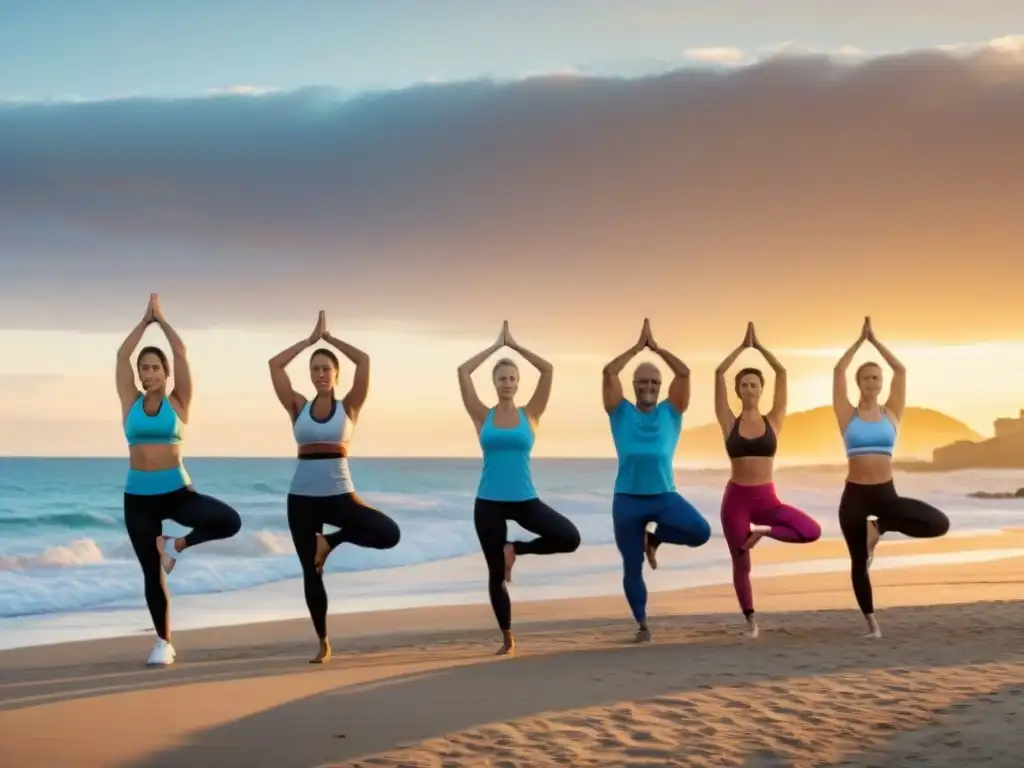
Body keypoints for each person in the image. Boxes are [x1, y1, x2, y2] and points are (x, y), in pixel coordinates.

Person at [116, 294, 243, 667]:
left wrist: (162, 322)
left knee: (229, 521)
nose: (149, 372)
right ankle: (162, 641)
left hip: (176, 493)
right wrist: (143, 323)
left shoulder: (179, 401)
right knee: (151, 573)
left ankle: (177, 544)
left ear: (166, 373)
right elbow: (121, 357)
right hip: (137, 498)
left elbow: (182, 354)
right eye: (145, 368)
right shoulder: (130, 401)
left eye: (156, 367)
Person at [269, 311, 401, 664]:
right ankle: (324, 642)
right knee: (311, 572)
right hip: (301, 500)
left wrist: (330, 338)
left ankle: (332, 541)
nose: (321, 374)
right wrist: (310, 342)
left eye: (327, 368)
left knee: (389, 533)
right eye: (315, 369)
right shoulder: (298, 406)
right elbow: (275, 365)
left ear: (336, 374)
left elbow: (365, 360)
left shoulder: (349, 406)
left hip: (340, 496)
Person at [457, 321, 581, 656]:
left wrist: (516, 346)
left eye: (512, 378)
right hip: (488, 503)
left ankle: (517, 549)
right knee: (495, 573)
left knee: (570, 538)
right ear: (495, 383)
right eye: (502, 378)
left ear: (518, 383)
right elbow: (463, 372)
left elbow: (548, 370)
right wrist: (496, 348)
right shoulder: (482, 415)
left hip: (525, 500)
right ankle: (508, 638)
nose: (508, 383)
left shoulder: (532, 414)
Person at [833, 316, 950, 638]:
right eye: (867, 378)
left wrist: (875, 341)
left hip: (886, 494)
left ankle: (880, 526)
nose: (872, 382)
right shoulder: (847, 414)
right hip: (855, 495)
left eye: (876, 378)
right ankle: (871, 623)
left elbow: (901, 371)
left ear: (881, 382)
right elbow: (838, 372)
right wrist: (859, 343)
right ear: (859, 383)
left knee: (938, 523)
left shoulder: (892, 412)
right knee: (858, 560)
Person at [602, 319, 712, 644]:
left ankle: (656, 539)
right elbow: (609, 372)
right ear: (633, 386)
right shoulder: (619, 411)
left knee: (700, 531)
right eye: (642, 381)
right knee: (631, 565)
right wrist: (637, 349)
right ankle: (643, 624)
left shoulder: (672, 412)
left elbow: (685, 374)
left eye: (653, 381)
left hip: (664, 496)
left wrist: (658, 349)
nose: (648, 386)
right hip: (627, 500)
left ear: (660, 386)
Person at [714, 322, 822, 638]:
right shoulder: (728, 422)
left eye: (754, 385)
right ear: (738, 390)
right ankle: (751, 621)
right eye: (744, 385)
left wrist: (758, 347)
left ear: (761, 390)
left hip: (767, 502)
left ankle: (763, 532)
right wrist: (741, 348)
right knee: (741, 563)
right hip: (736, 502)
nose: (749, 390)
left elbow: (783, 374)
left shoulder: (774, 420)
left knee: (810, 531)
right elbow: (719, 374)